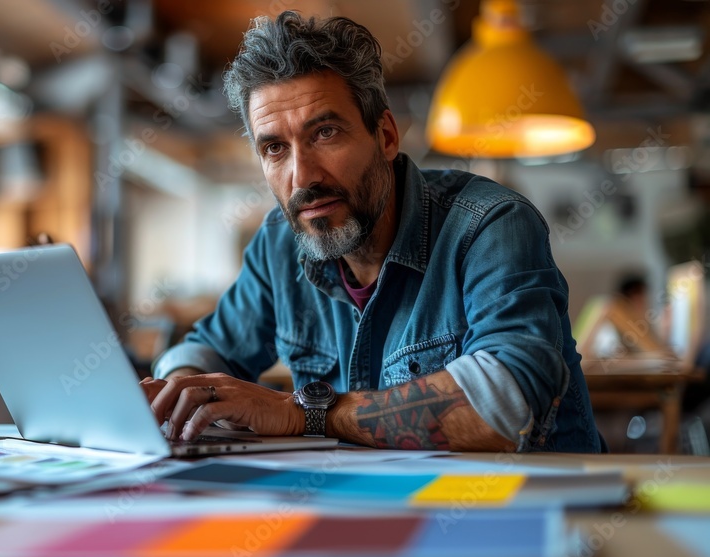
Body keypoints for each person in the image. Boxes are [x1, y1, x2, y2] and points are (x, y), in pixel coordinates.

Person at [141, 11, 602, 453]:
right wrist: (177, 392)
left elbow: (507, 401)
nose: (302, 178)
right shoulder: (279, 244)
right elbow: (208, 349)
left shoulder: (489, 224)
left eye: (325, 133)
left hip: (528, 512)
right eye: (276, 148)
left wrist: (304, 414)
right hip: (371, 503)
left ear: (385, 136)